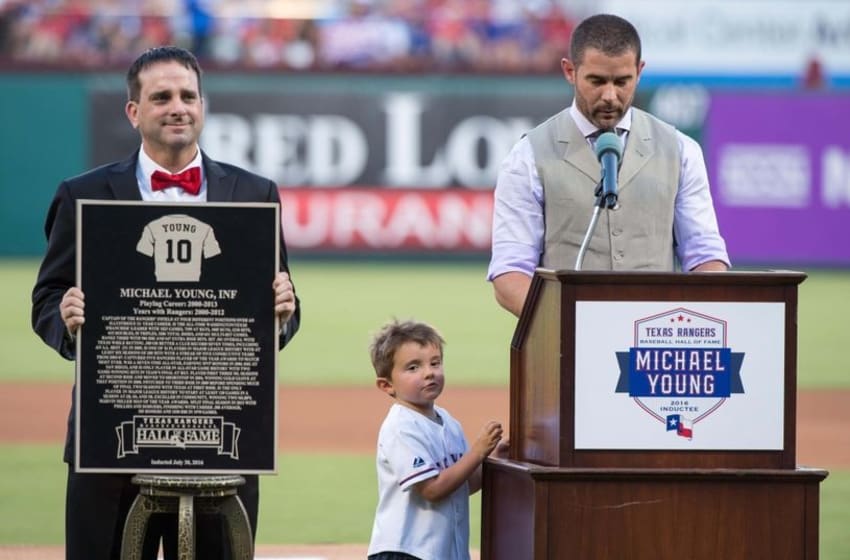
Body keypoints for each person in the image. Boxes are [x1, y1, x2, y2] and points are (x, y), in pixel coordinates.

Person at [30, 46, 301, 560]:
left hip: (220, 436)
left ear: (202, 105)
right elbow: (46, 296)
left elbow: (279, 307)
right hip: (109, 437)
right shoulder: (82, 194)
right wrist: (63, 320)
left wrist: (284, 314)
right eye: (161, 97)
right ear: (134, 112)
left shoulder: (254, 193)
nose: (177, 106)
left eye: (187, 95)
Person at [487, 13, 730, 316]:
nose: (610, 96)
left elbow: (704, 254)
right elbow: (510, 271)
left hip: (655, 348)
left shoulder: (681, 151)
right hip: (566, 348)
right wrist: (564, 329)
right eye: (597, 81)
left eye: (622, 81)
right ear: (569, 71)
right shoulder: (527, 155)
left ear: (639, 72)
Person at [367, 319, 503, 560]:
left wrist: (496, 457)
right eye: (413, 368)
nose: (429, 372)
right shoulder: (401, 427)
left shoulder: (448, 423)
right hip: (406, 550)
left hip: (441, 552)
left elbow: (463, 484)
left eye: (435, 363)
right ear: (387, 385)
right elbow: (432, 489)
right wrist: (478, 452)